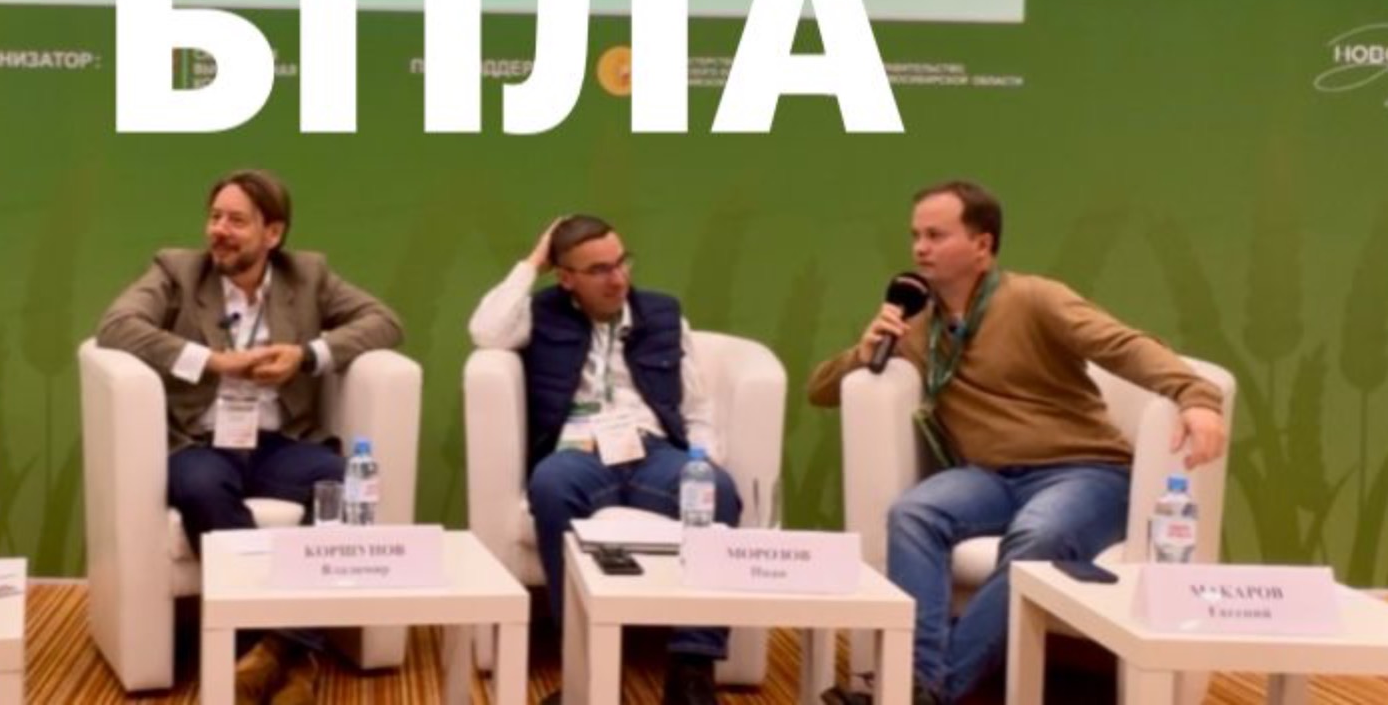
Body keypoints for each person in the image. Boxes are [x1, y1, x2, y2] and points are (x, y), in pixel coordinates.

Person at [806, 181, 1227, 705]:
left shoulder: (1034, 298)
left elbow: (1123, 345)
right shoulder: (916, 326)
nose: (919, 248)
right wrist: (865, 348)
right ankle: (914, 680)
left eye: (936, 235)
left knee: (1037, 536)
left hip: (1086, 471)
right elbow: (820, 391)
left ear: (982, 246)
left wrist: (1195, 395)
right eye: (916, 236)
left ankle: (925, 694)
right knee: (913, 514)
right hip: (988, 476)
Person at [96, 168, 403, 705]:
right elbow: (116, 325)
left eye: (236, 221)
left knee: (346, 484)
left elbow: (385, 322)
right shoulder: (177, 270)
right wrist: (212, 361)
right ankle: (289, 653)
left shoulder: (308, 275)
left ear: (273, 233)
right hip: (201, 441)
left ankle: (274, 650)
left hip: (279, 442)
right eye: (215, 217)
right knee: (201, 489)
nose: (219, 230)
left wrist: (305, 356)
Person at [469, 215, 742, 705]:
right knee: (550, 486)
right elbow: (486, 331)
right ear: (565, 277)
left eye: (621, 262)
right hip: (580, 452)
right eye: (598, 270)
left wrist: (704, 461)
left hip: (655, 451)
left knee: (717, 491)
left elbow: (696, 404)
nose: (617, 279)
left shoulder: (663, 315)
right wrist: (533, 262)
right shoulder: (542, 313)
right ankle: (585, 672)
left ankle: (692, 668)